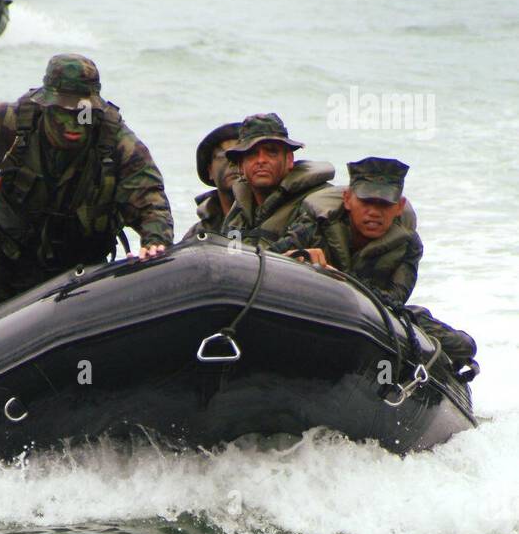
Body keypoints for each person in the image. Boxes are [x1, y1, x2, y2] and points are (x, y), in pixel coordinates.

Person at [0, 49, 174, 339]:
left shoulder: (118, 144)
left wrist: (155, 240)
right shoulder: (11, 123)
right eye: (63, 113)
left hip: (75, 265)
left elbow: (150, 199)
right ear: (46, 104)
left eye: (82, 114)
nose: (73, 124)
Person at [275, 157, 477, 374]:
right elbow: (270, 257)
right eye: (366, 202)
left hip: (377, 319)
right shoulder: (314, 224)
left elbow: (395, 300)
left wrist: (339, 280)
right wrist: (297, 258)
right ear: (347, 199)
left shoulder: (408, 245)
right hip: (310, 304)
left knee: (462, 345)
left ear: (399, 207)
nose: (374, 212)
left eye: (384, 204)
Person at [220, 112, 335, 247]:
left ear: (289, 160)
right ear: (240, 166)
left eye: (271, 151)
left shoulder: (314, 204)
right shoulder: (237, 215)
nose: (261, 160)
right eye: (252, 153)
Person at [182, 123, 241, 238]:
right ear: (210, 170)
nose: (232, 163)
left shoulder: (272, 221)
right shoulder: (199, 234)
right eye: (222, 155)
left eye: (239, 155)